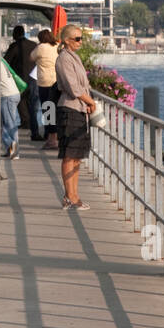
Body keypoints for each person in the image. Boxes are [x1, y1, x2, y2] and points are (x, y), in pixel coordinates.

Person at [55, 23, 96, 210]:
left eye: (81, 38)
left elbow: (83, 85)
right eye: (77, 39)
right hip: (70, 109)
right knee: (69, 155)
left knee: (77, 156)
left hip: (79, 109)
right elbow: (74, 87)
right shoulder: (64, 58)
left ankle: (73, 195)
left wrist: (87, 102)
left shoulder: (74, 57)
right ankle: (70, 196)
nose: (80, 42)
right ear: (67, 40)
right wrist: (91, 102)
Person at [3, 25, 42, 141]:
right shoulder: (33, 45)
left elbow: (6, 62)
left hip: (20, 79)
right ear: (24, 33)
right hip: (36, 79)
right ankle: (43, 129)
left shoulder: (14, 46)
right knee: (35, 105)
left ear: (15, 34)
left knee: (21, 101)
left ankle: (26, 122)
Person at [35, 29, 59, 149]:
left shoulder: (41, 48)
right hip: (57, 82)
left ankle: (52, 139)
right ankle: (54, 138)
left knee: (47, 111)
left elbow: (31, 57)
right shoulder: (57, 46)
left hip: (44, 83)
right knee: (55, 110)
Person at [0, 56, 22, 159]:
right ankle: (11, 149)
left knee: (8, 124)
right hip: (13, 94)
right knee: (9, 123)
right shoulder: (2, 61)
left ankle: (13, 149)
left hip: (7, 96)